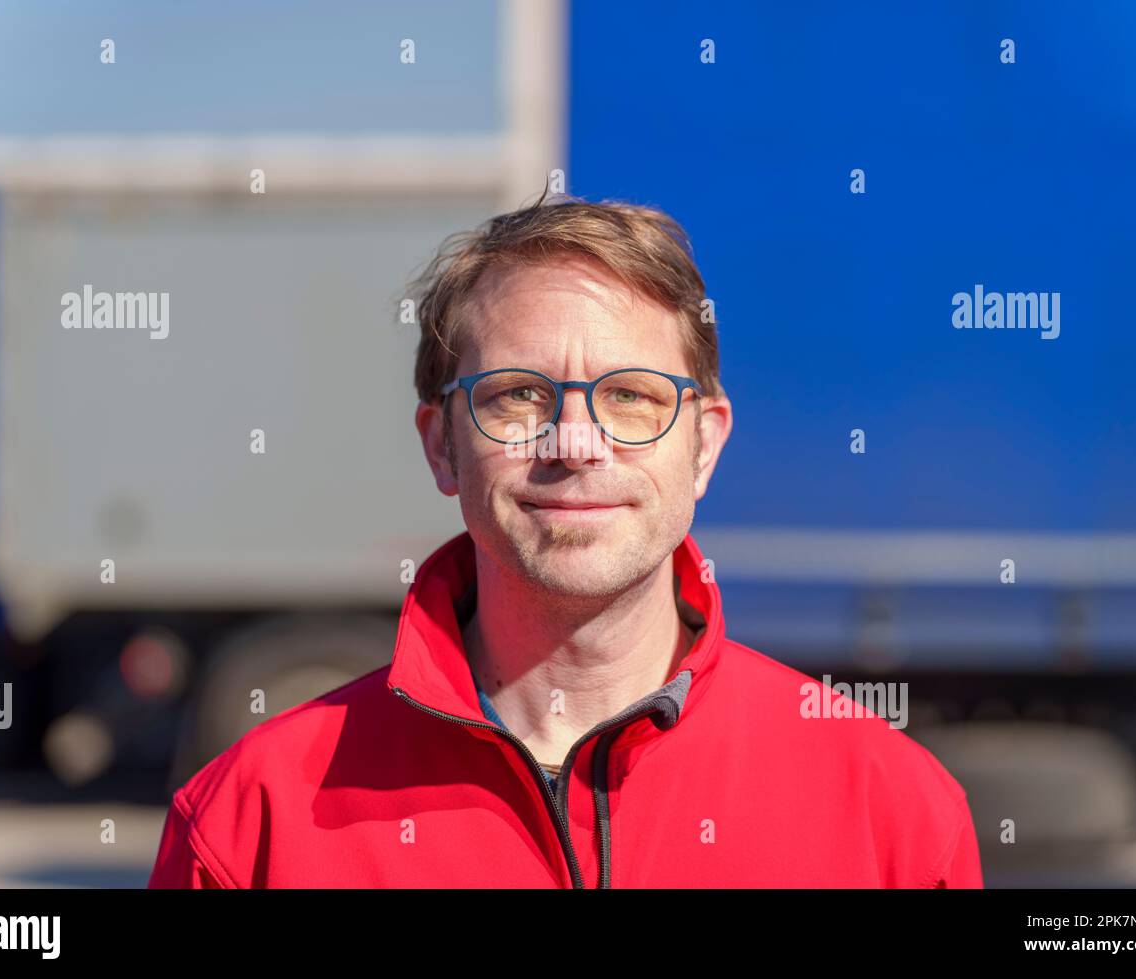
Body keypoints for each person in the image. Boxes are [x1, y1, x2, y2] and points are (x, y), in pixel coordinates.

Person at [148, 194, 983, 887]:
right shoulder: (252, 820)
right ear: (441, 444)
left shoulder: (890, 811)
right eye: (518, 395)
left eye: (631, 395)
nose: (576, 442)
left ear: (704, 444)